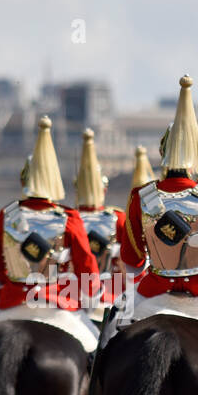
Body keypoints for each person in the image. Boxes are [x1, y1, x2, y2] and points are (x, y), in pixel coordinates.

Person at [117, 74, 198, 357]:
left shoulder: (141, 197)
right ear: (197, 153)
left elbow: (132, 260)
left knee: (109, 341)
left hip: (152, 292)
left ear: (163, 151)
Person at [0, 115, 102, 351]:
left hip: (13, 302)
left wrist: (4, 288)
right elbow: (86, 265)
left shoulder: (6, 216)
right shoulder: (68, 218)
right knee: (95, 349)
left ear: (23, 180)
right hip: (58, 303)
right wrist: (90, 291)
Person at [73, 128, 128, 323]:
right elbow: (131, 264)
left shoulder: (68, 219)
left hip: (71, 296)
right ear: (104, 188)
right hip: (113, 296)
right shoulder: (118, 217)